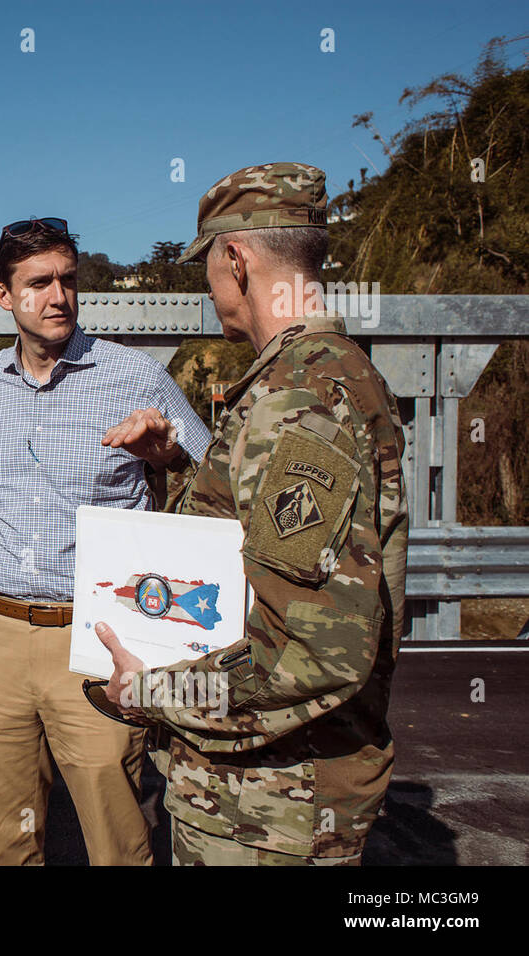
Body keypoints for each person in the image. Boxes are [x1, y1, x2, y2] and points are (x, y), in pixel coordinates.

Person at [95, 162, 409, 866]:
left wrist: (148, 691)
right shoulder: (331, 374)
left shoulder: (295, 397)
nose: (209, 290)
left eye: (207, 267)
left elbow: (311, 648)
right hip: (275, 805)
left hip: (268, 812)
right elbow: (263, 548)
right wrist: (177, 467)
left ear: (235, 260)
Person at [0, 218, 212, 866]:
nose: (57, 296)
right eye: (38, 283)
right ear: (3, 295)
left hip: (102, 636)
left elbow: (219, 482)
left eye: (68, 279)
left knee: (117, 841)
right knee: (7, 842)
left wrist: (166, 456)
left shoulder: (135, 376)